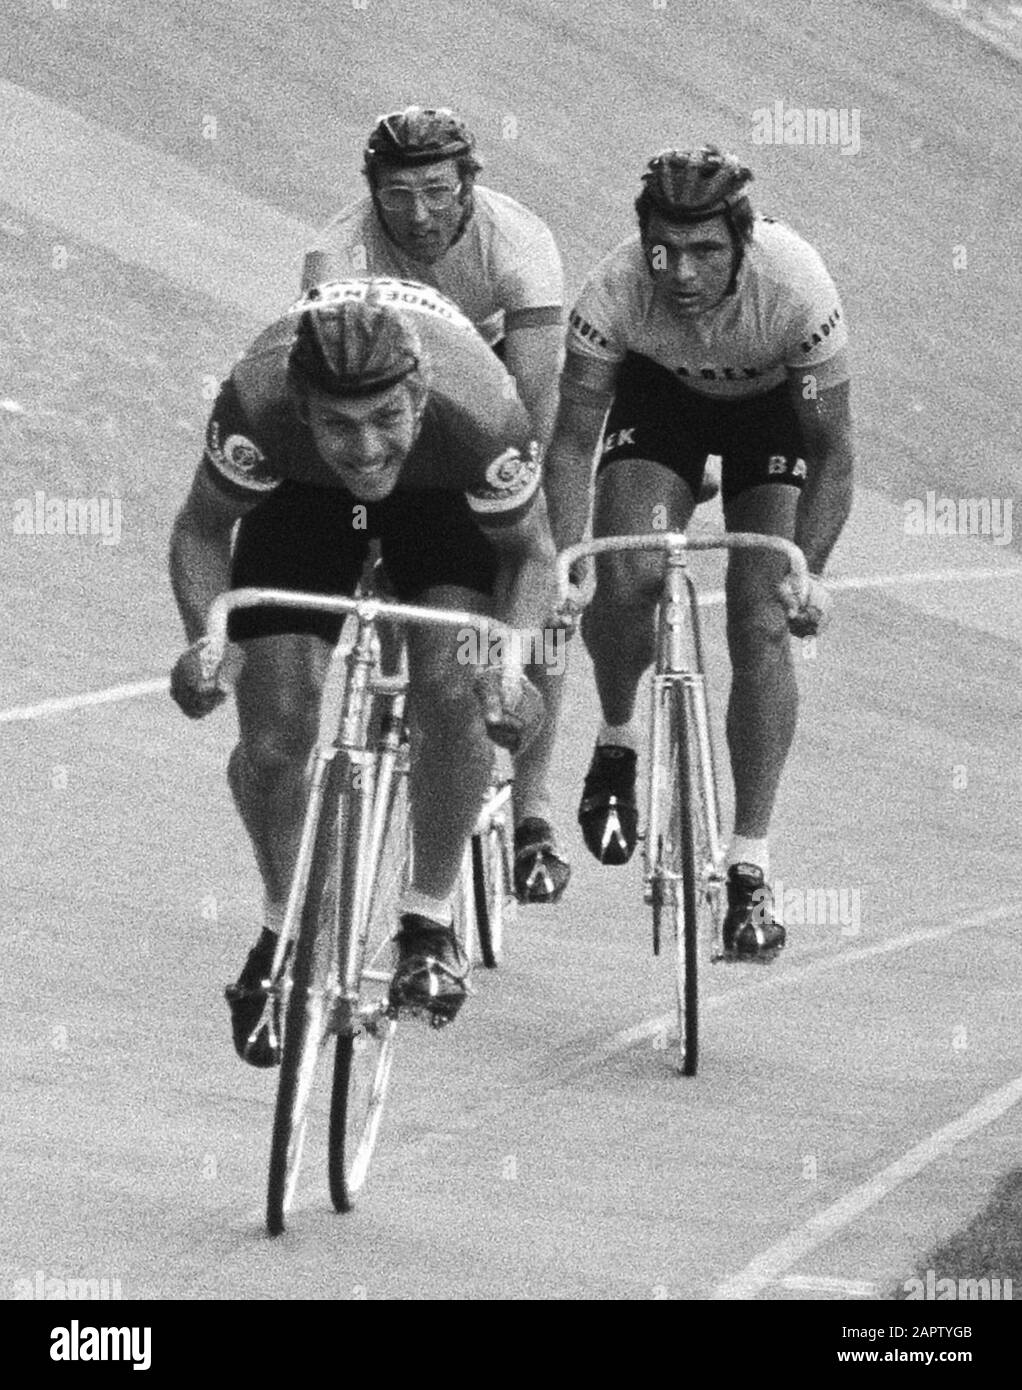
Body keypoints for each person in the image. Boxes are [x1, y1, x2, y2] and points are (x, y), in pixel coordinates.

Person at [169, 277, 556, 1064]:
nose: (369, 446)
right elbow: (203, 530)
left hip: (442, 497)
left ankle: (428, 919)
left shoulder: (483, 417)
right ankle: (281, 933)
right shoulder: (256, 405)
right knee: (275, 742)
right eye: (341, 423)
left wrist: (506, 664)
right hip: (303, 497)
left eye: (385, 417)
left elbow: (531, 557)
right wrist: (207, 646)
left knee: (451, 689)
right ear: (302, 406)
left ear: (419, 392)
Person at [543, 145, 853, 960]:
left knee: (760, 621)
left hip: (771, 416)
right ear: (641, 240)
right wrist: (572, 556)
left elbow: (832, 449)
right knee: (626, 576)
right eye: (663, 249)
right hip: (664, 403)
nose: (680, 271)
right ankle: (617, 741)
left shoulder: (797, 288)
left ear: (742, 243)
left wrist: (807, 573)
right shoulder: (611, 292)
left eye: (706, 250)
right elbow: (573, 444)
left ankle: (749, 866)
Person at [300, 105, 572, 903]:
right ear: (370, 192)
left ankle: (535, 806)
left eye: (437, 193)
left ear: (469, 186)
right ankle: (409, 676)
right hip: (388, 382)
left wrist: (502, 514)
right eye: (397, 195)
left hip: (492, 384)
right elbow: (333, 386)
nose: (418, 215)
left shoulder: (520, 248)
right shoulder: (336, 253)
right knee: (375, 491)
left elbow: (530, 412)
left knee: (535, 561)